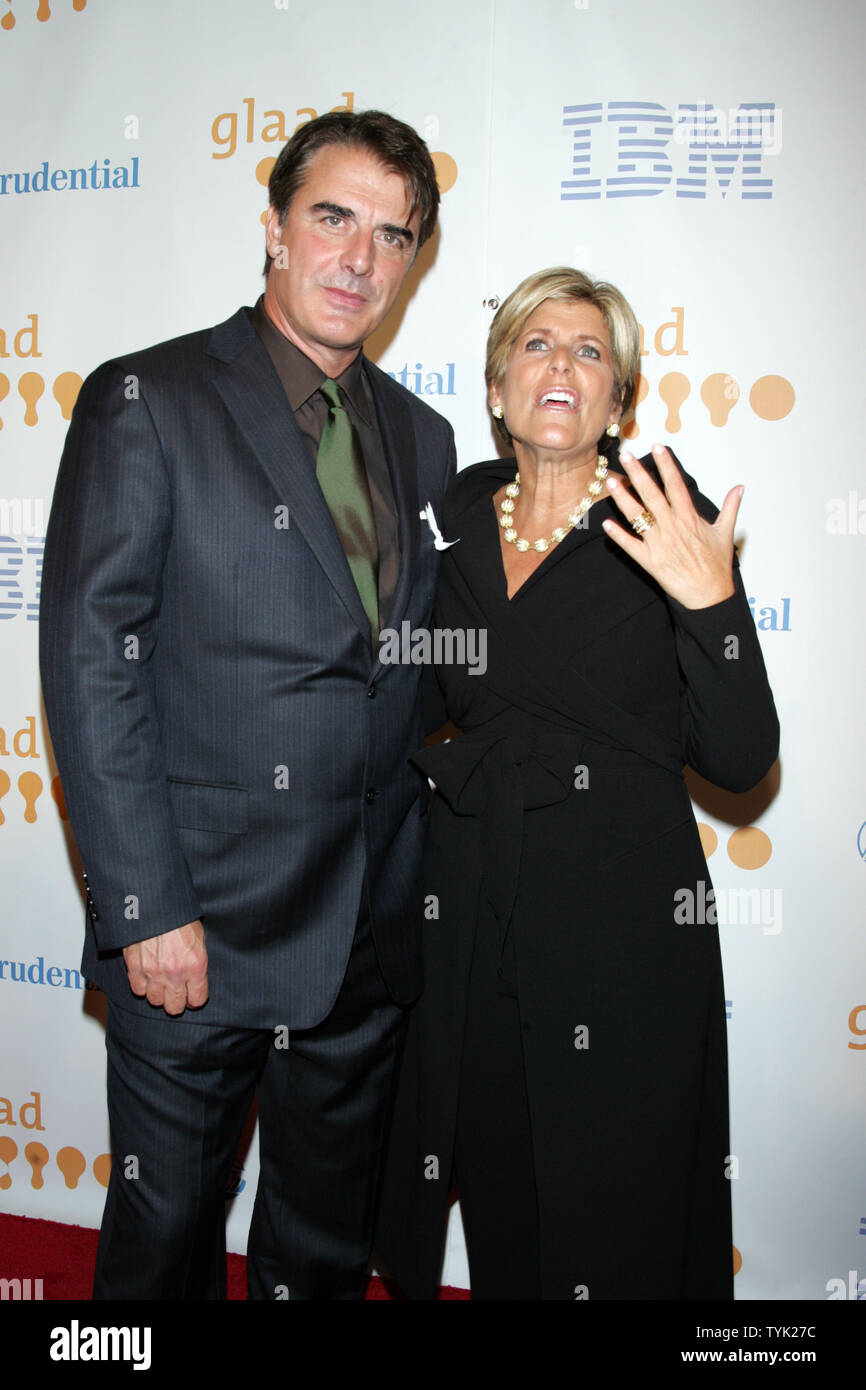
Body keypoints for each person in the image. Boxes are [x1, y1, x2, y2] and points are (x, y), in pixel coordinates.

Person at [39, 109, 456, 1300]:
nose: (357, 259)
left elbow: (409, 671)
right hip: (196, 935)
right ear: (273, 229)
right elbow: (92, 660)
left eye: (392, 235)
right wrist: (142, 906)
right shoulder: (149, 398)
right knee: (161, 1242)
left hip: (363, 938)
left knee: (320, 1253)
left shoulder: (420, 440)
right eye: (331, 218)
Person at [375, 266, 779, 1300]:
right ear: (499, 387)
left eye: (589, 351)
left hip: (620, 921)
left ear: (617, 399)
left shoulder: (662, 515)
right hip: (471, 908)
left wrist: (712, 602)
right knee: (501, 1181)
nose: (562, 364)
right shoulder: (453, 517)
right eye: (536, 344)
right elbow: (410, 707)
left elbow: (738, 759)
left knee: (617, 1200)